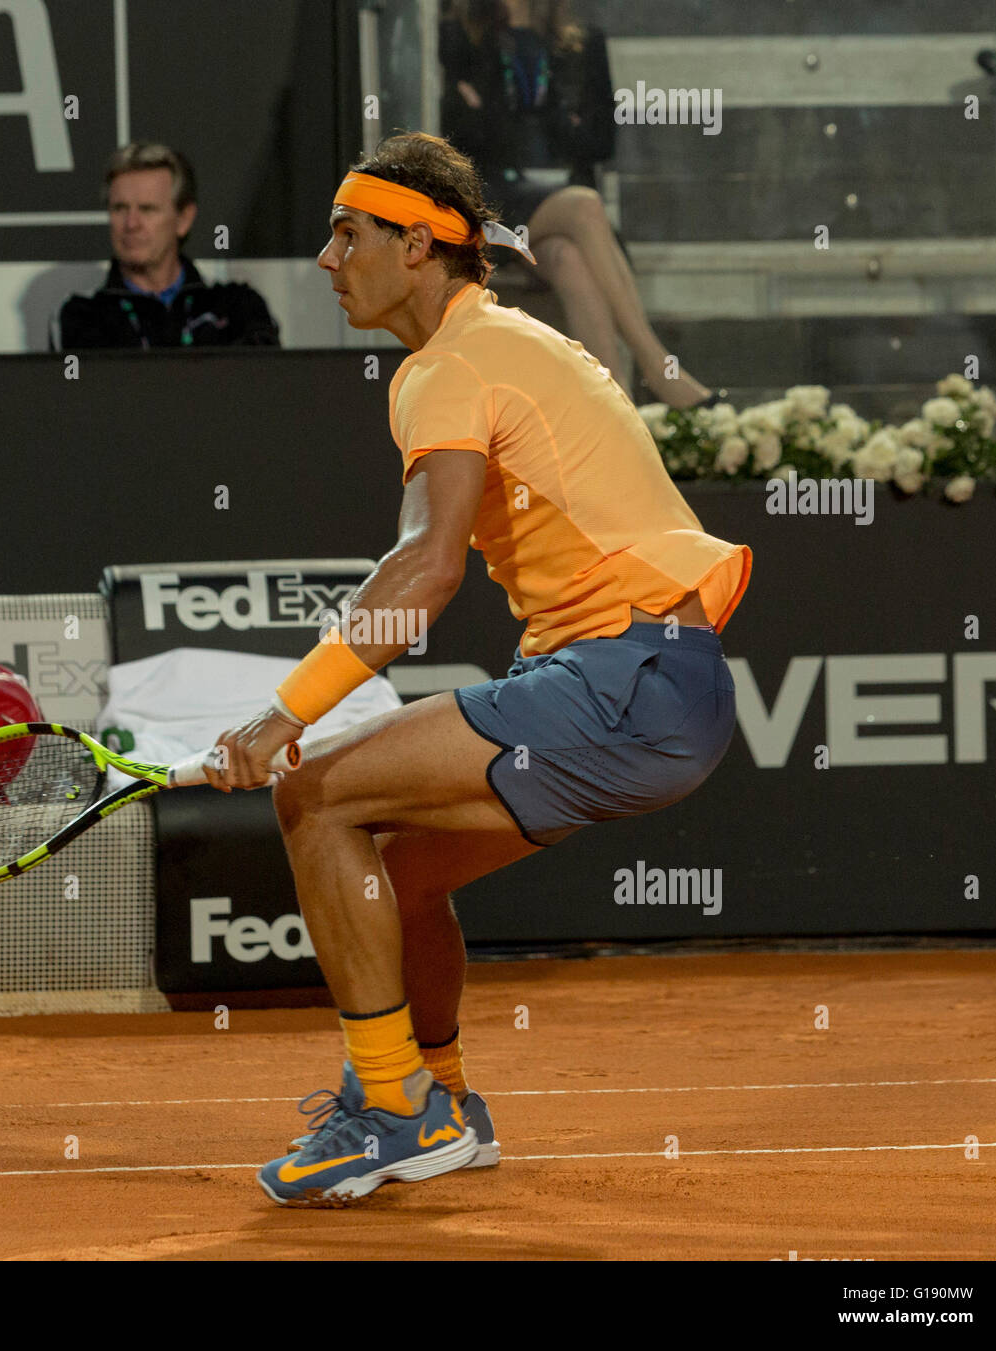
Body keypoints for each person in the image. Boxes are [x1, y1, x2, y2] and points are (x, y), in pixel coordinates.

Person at [204, 132, 752, 1207]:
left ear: (417, 245)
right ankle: (444, 1100)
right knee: (402, 872)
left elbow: (426, 566)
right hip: (665, 685)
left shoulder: (450, 363)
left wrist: (282, 717)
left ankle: (395, 1108)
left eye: (345, 233)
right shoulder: (498, 343)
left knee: (313, 798)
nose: (325, 258)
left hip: (622, 679)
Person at [440, 0, 718, 408]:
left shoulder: (581, 43)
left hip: (559, 197)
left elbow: (601, 141)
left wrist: (536, 117)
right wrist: (527, 119)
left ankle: (617, 405)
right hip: (494, 201)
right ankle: (657, 366)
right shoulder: (462, 35)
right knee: (585, 206)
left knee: (571, 259)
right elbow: (462, 140)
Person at [56, 142, 279, 349]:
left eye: (147, 209)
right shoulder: (82, 317)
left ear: (183, 219)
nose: (131, 224)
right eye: (120, 209)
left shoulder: (237, 308)